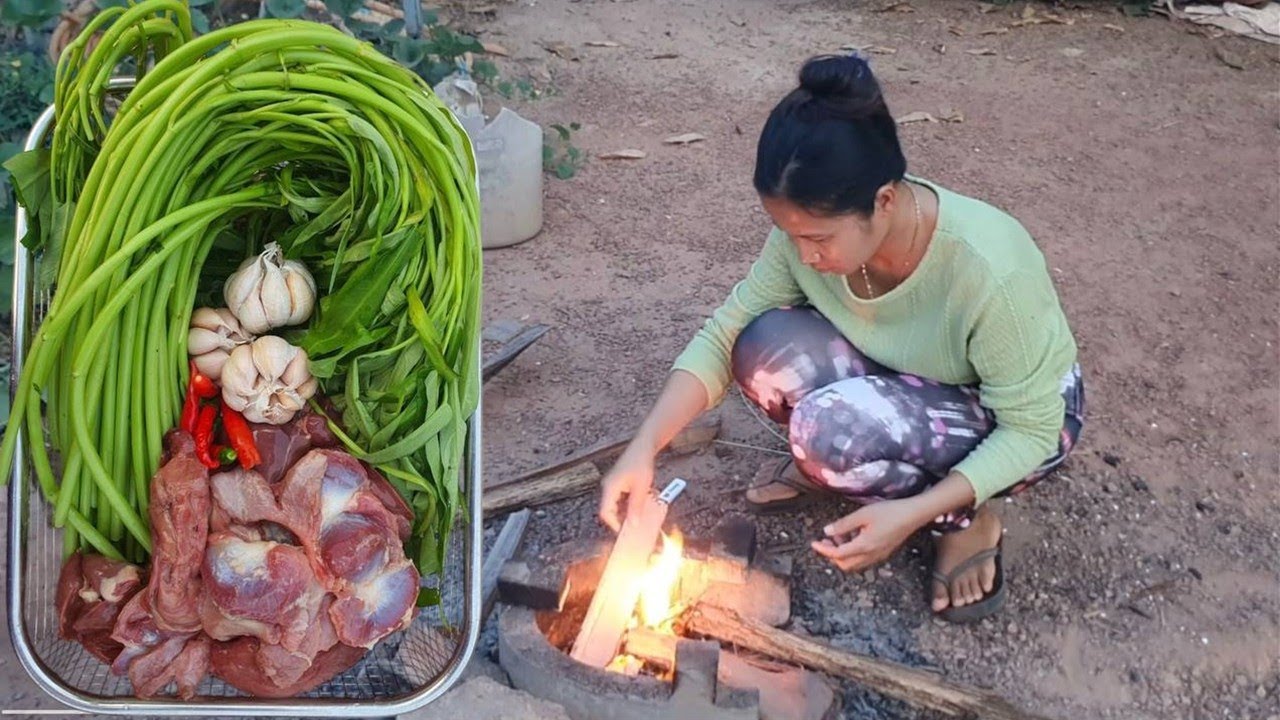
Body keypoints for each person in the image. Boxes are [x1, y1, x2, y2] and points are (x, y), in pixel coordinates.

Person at [597, 53, 1085, 623]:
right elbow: (724, 333)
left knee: (828, 433)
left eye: (818, 238)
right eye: (789, 233)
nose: (803, 254)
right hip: (907, 376)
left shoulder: (989, 269)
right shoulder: (806, 240)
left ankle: (969, 520)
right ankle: (860, 453)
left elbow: (1030, 428)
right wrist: (643, 448)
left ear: (883, 200)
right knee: (759, 347)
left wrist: (914, 514)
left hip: (1030, 415)